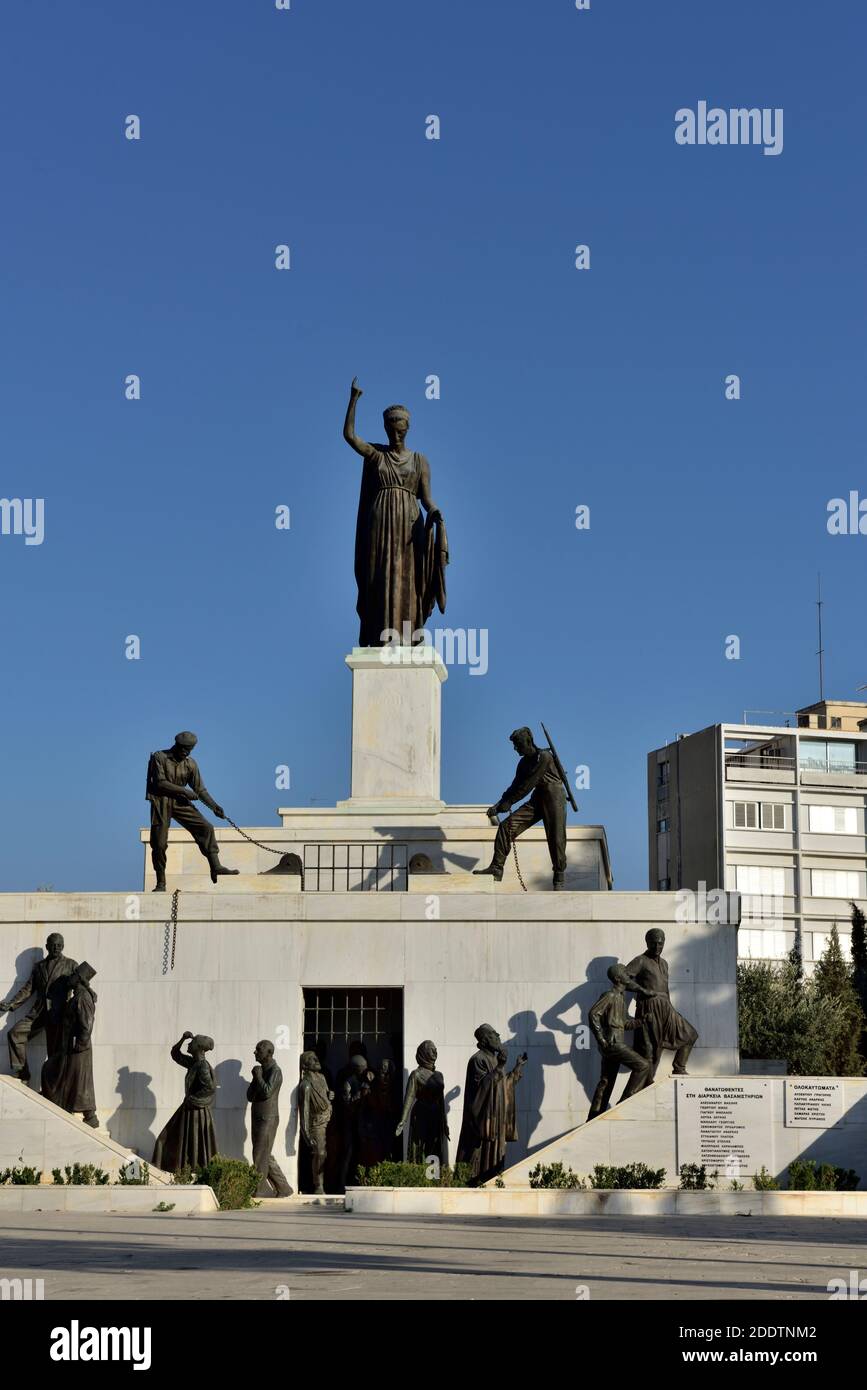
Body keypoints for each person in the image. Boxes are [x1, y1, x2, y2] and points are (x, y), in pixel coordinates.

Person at [343, 378, 448, 647]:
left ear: (407, 428)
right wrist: (353, 400)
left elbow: (426, 498)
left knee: (408, 578)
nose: (395, 435)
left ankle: (408, 634)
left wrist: (435, 511)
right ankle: (380, 635)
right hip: (380, 522)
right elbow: (350, 437)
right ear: (386, 429)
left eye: (400, 430)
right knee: (380, 573)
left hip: (409, 523)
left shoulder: (419, 461)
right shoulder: (377, 455)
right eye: (391, 431)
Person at [474, 727, 568, 889]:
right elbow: (515, 785)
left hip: (554, 796)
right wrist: (499, 804)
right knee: (506, 827)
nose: (515, 748)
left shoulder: (544, 757)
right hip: (538, 798)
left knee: (556, 838)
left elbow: (528, 784)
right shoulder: (523, 762)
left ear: (528, 741)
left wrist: (509, 802)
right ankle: (496, 868)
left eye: (518, 744)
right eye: (514, 745)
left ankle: (559, 878)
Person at [146, 731, 238, 892]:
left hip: (180, 802)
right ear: (176, 745)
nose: (186, 752)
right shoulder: (159, 757)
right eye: (183, 749)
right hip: (161, 801)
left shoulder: (190, 764)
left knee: (206, 827)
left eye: (189, 750)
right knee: (159, 844)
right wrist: (184, 791)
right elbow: (160, 783)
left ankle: (215, 866)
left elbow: (200, 789)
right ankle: (161, 882)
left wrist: (214, 806)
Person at [0, 933, 79, 1082]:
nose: (56, 948)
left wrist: (87, 995)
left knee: (54, 1053)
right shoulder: (39, 967)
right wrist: (11, 1004)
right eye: (53, 945)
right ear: (47, 946)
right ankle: (22, 1073)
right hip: (39, 1012)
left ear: (63, 946)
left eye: (59, 945)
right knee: (15, 1034)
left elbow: (80, 984)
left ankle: (53, 1089)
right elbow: (28, 989)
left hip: (59, 1013)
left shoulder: (71, 964)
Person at [625, 929, 698, 1082]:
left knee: (690, 1034)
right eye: (654, 943)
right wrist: (642, 990)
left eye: (661, 943)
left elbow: (665, 988)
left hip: (666, 1007)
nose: (658, 946)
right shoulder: (640, 960)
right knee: (652, 1051)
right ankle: (646, 1085)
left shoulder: (664, 963)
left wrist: (671, 1008)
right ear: (647, 943)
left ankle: (679, 1067)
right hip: (650, 1007)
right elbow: (622, 978)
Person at [587, 965, 652, 1120]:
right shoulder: (610, 995)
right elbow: (593, 1014)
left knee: (606, 1081)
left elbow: (623, 1024)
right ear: (617, 978)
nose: (628, 975)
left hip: (614, 1041)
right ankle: (624, 1104)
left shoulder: (620, 998)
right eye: (624, 972)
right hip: (613, 1042)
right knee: (643, 1065)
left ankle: (593, 1117)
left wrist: (641, 1021)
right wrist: (601, 1039)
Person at [40, 962, 99, 1126]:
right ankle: (84, 1114)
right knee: (66, 1078)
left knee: (77, 1081)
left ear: (79, 979)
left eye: (73, 975)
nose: (70, 977)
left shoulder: (82, 998)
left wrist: (79, 1045)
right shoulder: (77, 997)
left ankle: (90, 1117)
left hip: (78, 1049)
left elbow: (86, 1026)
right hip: (71, 1048)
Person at [152, 1032, 217, 1172]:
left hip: (195, 1111)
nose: (189, 1044)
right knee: (166, 1139)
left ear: (198, 1047)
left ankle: (187, 1170)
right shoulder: (194, 1063)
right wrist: (183, 1039)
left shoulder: (202, 1066)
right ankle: (171, 1169)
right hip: (189, 1109)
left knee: (181, 1141)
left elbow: (210, 1088)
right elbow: (175, 1054)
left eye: (192, 1042)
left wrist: (193, 1100)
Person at [247, 1040, 292, 1198]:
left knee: (259, 1154)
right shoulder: (261, 1070)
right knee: (263, 1154)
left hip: (268, 1117)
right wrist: (256, 1078)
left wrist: (258, 1077)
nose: (255, 1052)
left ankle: (261, 1189)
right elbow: (249, 1096)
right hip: (257, 1116)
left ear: (269, 1053)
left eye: (258, 1050)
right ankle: (284, 1187)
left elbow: (267, 1092)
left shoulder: (275, 1071)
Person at [396, 1040, 449, 1168]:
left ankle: (433, 1177)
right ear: (424, 1053)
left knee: (434, 1146)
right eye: (431, 1049)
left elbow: (441, 1100)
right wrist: (402, 1121)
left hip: (436, 1114)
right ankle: (418, 1176)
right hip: (421, 1114)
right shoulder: (416, 1074)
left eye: (435, 1049)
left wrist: (445, 1123)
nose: (435, 1051)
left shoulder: (439, 1075)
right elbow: (409, 1098)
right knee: (420, 1146)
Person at [298, 1051, 334, 1195]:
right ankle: (318, 1185)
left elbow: (325, 1096)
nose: (316, 1059)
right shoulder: (305, 1085)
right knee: (320, 1153)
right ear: (305, 1065)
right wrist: (306, 1133)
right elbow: (304, 1111)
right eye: (312, 1059)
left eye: (316, 1057)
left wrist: (330, 1095)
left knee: (330, 1153)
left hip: (329, 1118)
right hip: (316, 1122)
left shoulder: (322, 1077)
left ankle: (328, 1183)